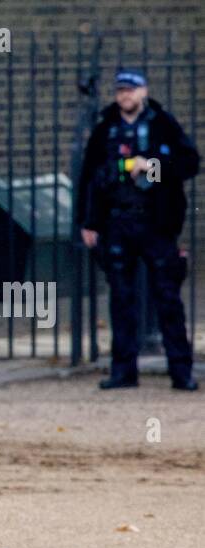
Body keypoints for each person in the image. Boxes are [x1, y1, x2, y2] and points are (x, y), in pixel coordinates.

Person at [79, 69, 200, 391]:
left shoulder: (162, 124)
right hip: (117, 221)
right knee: (121, 299)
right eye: (120, 90)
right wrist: (89, 222)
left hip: (156, 223)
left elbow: (190, 163)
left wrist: (153, 166)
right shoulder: (107, 128)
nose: (125, 96)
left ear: (144, 92)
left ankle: (181, 371)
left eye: (131, 90)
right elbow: (90, 176)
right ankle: (123, 371)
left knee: (168, 298)